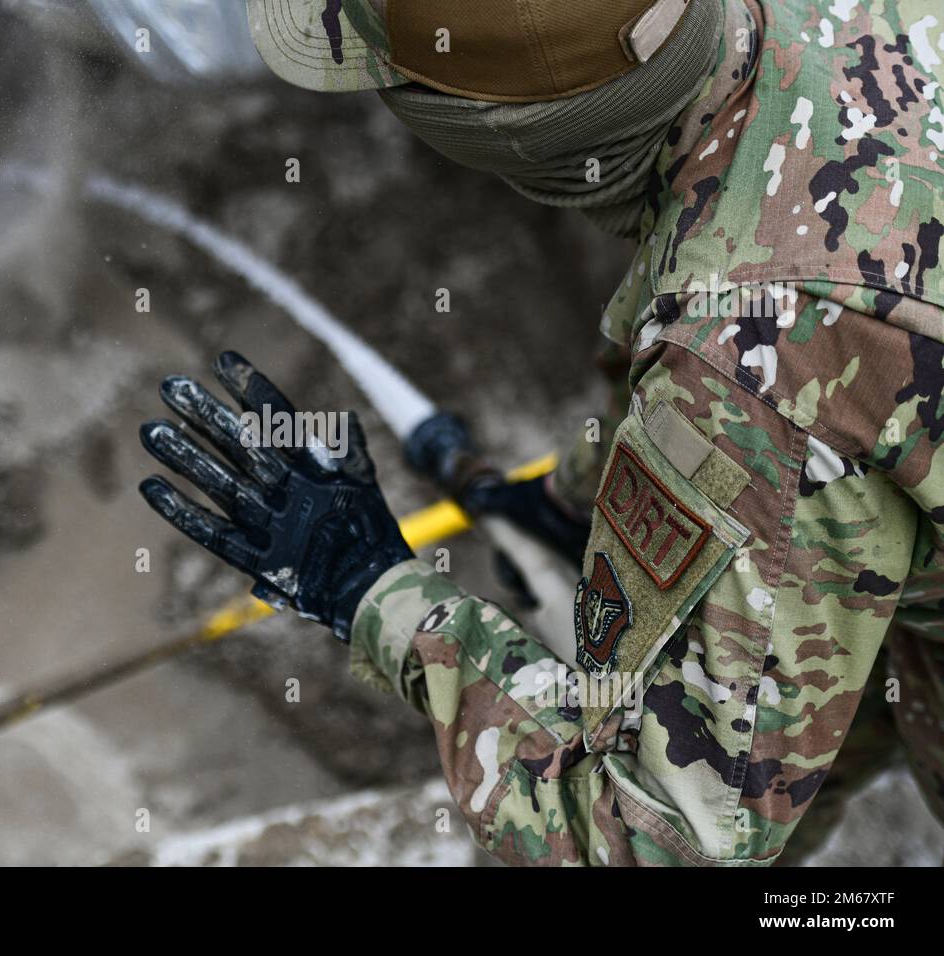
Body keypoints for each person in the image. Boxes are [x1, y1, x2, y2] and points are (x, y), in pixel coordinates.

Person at [138, 0, 944, 865]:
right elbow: (837, 407)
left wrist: (376, 594)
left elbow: (650, 841)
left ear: (510, 137)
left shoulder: (749, 348)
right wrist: (581, 496)